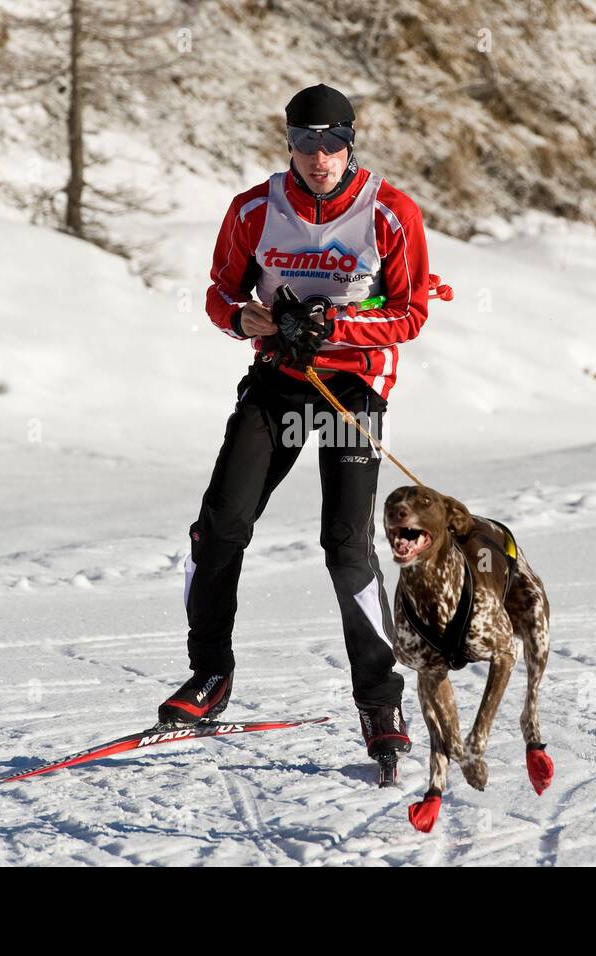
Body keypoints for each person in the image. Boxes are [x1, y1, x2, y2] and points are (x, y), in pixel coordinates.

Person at [159, 83, 431, 775]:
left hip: (352, 385)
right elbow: (221, 293)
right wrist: (243, 318)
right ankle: (209, 675)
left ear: (351, 141)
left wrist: (335, 322)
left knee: (346, 545)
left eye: (332, 141)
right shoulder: (255, 208)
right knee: (219, 523)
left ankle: (379, 700)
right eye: (305, 142)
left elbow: (410, 313)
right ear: (289, 143)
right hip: (281, 379)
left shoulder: (391, 212)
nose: (319, 157)